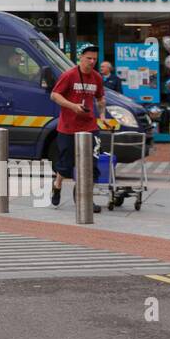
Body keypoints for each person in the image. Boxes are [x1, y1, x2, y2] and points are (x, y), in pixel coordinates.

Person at [49, 43, 105, 213]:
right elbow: (54, 95)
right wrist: (72, 106)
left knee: (93, 165)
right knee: (66, 164)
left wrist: (102, 116)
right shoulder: (69, 75)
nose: (92, 61)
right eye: (89, 58)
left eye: (95, 59)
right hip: (68, 127)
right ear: (80, 57)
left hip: (89, 126)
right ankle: (57, 185)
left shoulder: (97, 77)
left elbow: (100, 98)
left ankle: (85, 196)